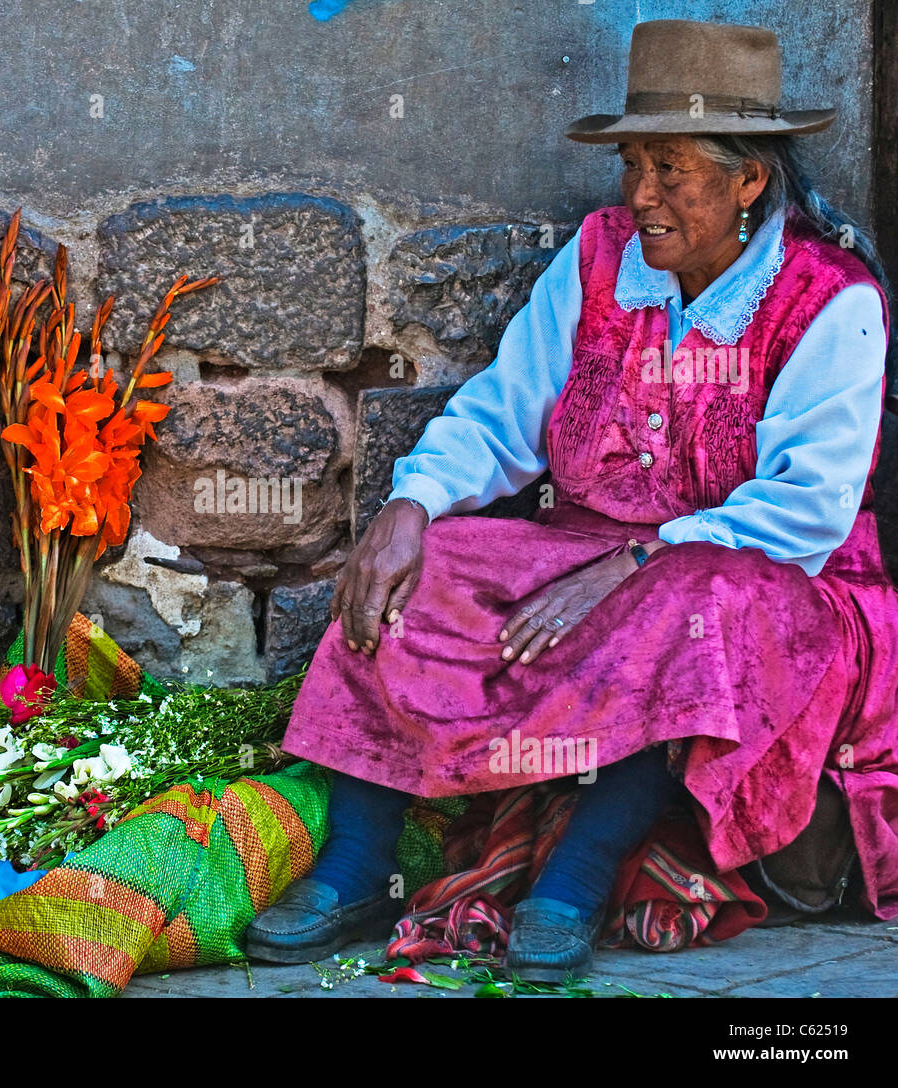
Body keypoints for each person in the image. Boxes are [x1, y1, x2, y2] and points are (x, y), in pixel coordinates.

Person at [245, 19, 898, 982]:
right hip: (584, 546)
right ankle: (355, 868)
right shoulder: (601, 261)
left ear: (748, 180)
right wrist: (413, 503)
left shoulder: (826, 300)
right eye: (636, 163)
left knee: (689, 610)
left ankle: (576, 879)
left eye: (672, 168)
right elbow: (509, 413)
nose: (641, 194)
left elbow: (807, 508)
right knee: (427, 572)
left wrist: (635, 565)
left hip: (765, 577)